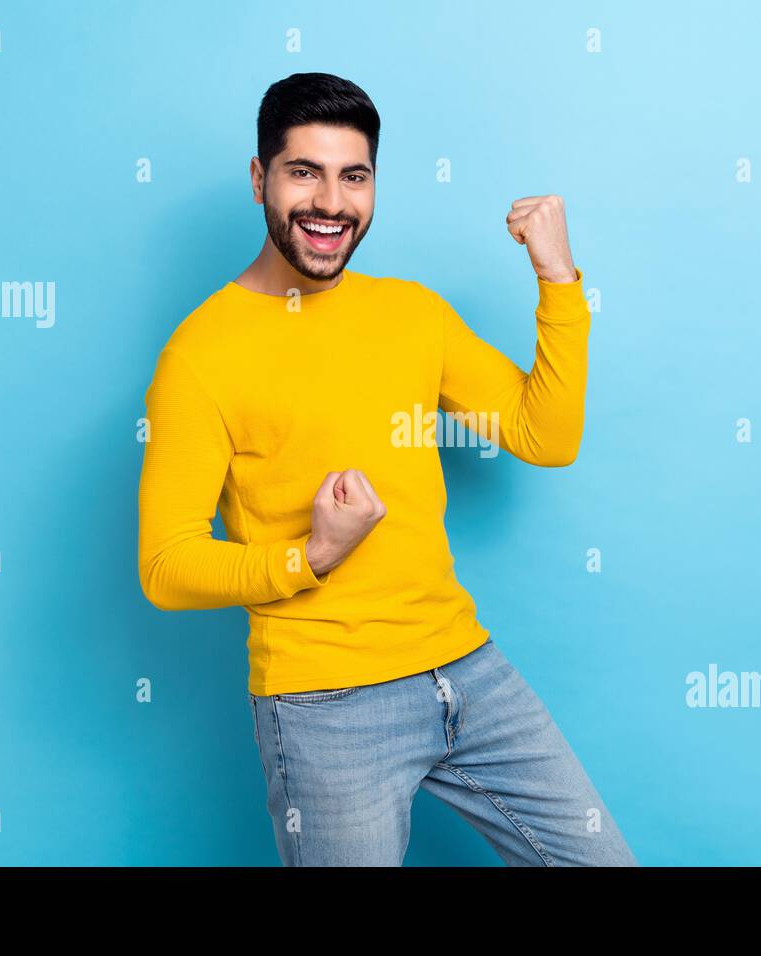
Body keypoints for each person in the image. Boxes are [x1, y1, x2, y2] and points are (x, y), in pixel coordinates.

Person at [137, 72, 637, 866]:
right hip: (325, 704)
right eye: (304, 172)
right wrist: (313, 556)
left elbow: (545, 436)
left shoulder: (411, 314)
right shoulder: (200, 358)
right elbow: (165, 567)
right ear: (261, 177)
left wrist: (557, 280)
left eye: (354, 176)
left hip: (466, 672)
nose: (330, 202)